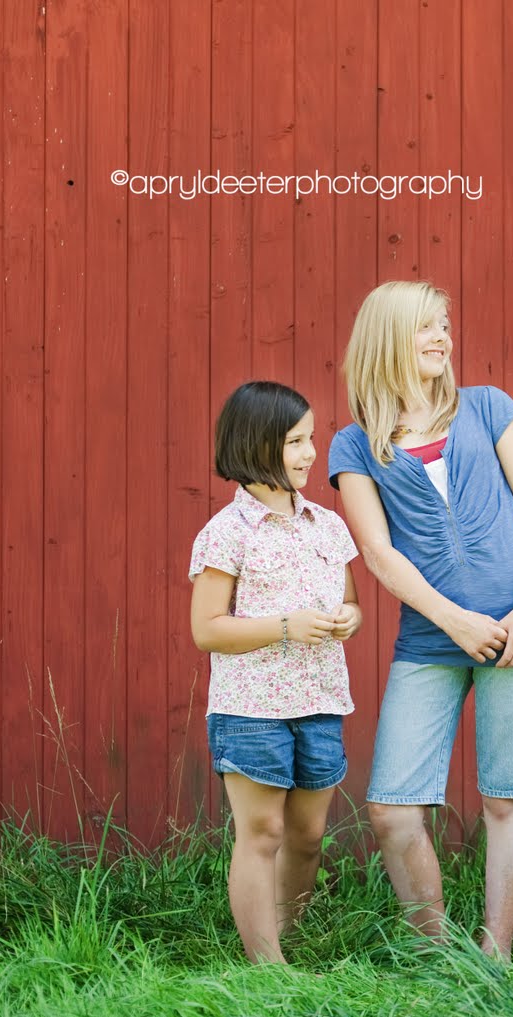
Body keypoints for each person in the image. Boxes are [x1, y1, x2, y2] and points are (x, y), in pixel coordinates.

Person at [329, 280, 513, 958]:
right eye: (424, 327)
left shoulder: (488, 409)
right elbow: (377, 550)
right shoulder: (355, 445)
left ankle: (494, 960)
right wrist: (455, 619)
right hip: (432, 639)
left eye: (444, 326)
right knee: (393, 809)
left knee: (507, 801)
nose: (442, 338)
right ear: (386, 340)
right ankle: (435, 957)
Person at [189, 380, 362, 964]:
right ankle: (268, 967)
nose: (310, 453)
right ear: (255, 445)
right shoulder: (227, 533)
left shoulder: (326, 526)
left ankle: (286, 932)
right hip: (251, 708)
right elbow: (207, 628)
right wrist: (286, 625)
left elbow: (353, 604)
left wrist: (347, 620)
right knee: (261, 833)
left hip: (319, 699)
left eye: (310, 438)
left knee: (307, 836)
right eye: (294, 441)